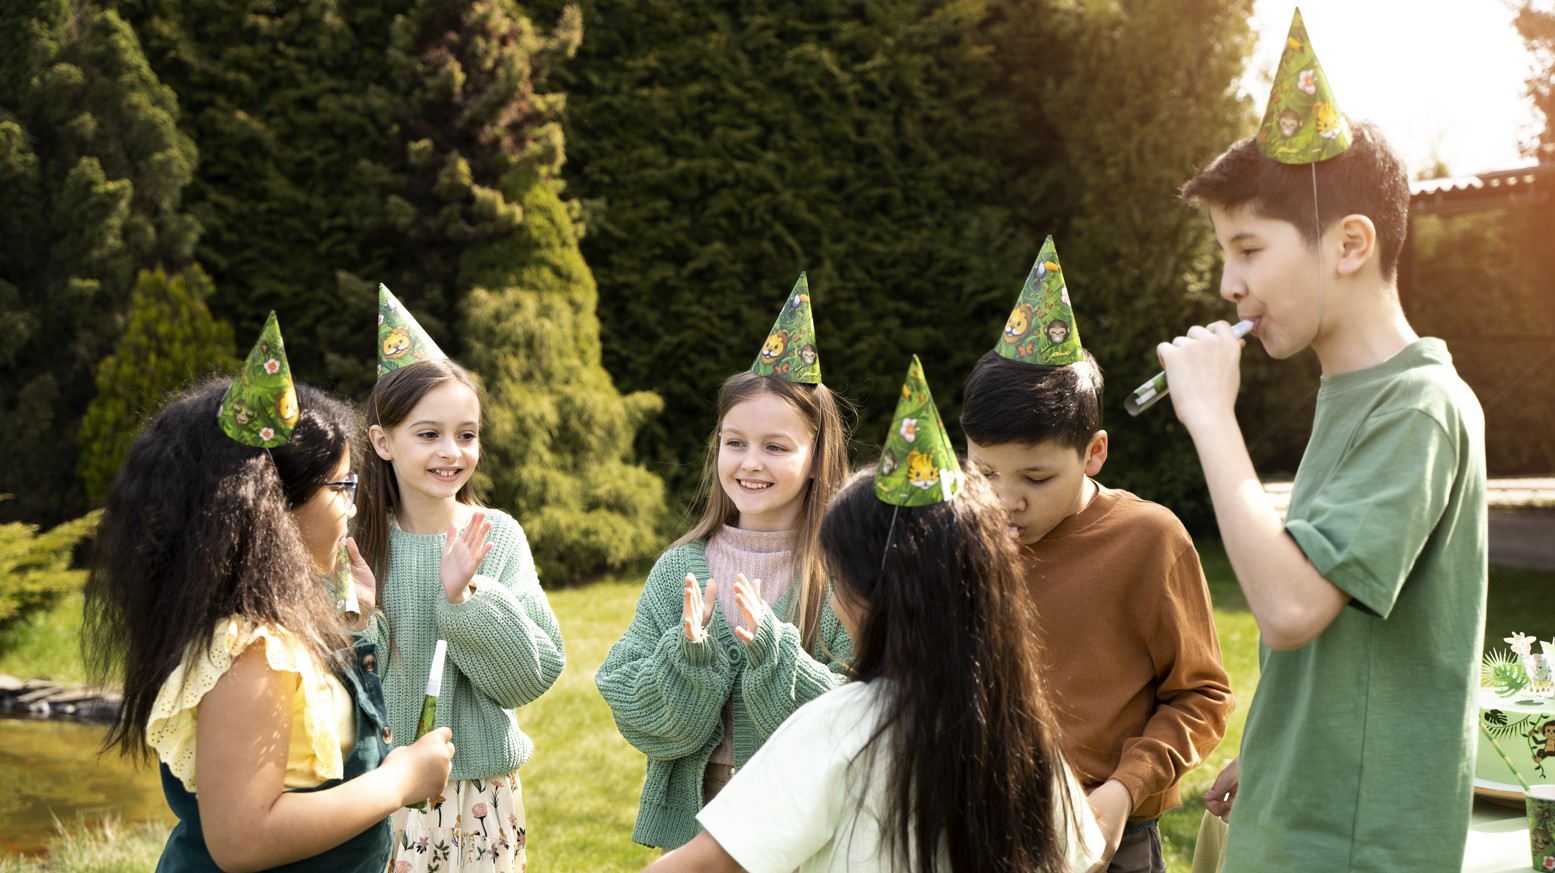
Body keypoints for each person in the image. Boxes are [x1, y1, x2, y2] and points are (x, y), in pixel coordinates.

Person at [1161, 113, 1488, 873]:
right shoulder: (1349, 395)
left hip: (1353, 848)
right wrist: (1281, 754)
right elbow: (1342, 644)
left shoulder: (1417, 405)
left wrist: (1212, 419)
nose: (1226, 283)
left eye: (1247, 249)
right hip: (1300, 816)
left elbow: (1289, 609)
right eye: (1223, 253)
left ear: (1349, 244)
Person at [644, 356, 1104, 873]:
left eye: (837, 577)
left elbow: (695, 867)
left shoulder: (839, 726)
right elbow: (1079, 857)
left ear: (870, 597)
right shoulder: (1020, 731)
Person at [82, 315, 455, 873]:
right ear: (273, 506)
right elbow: (243, 840)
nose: (354, 508)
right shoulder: (250, 651)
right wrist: (398, 780)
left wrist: (347, 628)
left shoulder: (268, 634)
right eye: (343, 487)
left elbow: (301, 744)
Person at [960, 235, 1234, 873]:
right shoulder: (959, 531)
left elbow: (1201, 695)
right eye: (984, 471)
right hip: (977, 830)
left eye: (1035, 478)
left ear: (1094, 453)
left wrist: (1125, 787)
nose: (1005, 500)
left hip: (1108, 837)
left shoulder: (1148, 539)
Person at [596, 274, 853, 850]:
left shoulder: (840, 572)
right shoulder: (680, 569)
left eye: (776, 447)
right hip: (700, 807)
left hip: (803, 812)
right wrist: (687, 657)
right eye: (734, 442)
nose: (750, 462)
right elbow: (643, 717)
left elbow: (858, 712)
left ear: (817, 458)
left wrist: (774, 649)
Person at [356, 286, 565, 872]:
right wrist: (359, 620)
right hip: (372, 789)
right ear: (382, 441)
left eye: (466, 434)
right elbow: (327, 675)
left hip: (475, 793)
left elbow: (530, 676)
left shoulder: (496, 536)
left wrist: (466, 597)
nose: (452, 451)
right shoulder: (352, 541)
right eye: (428, 434)